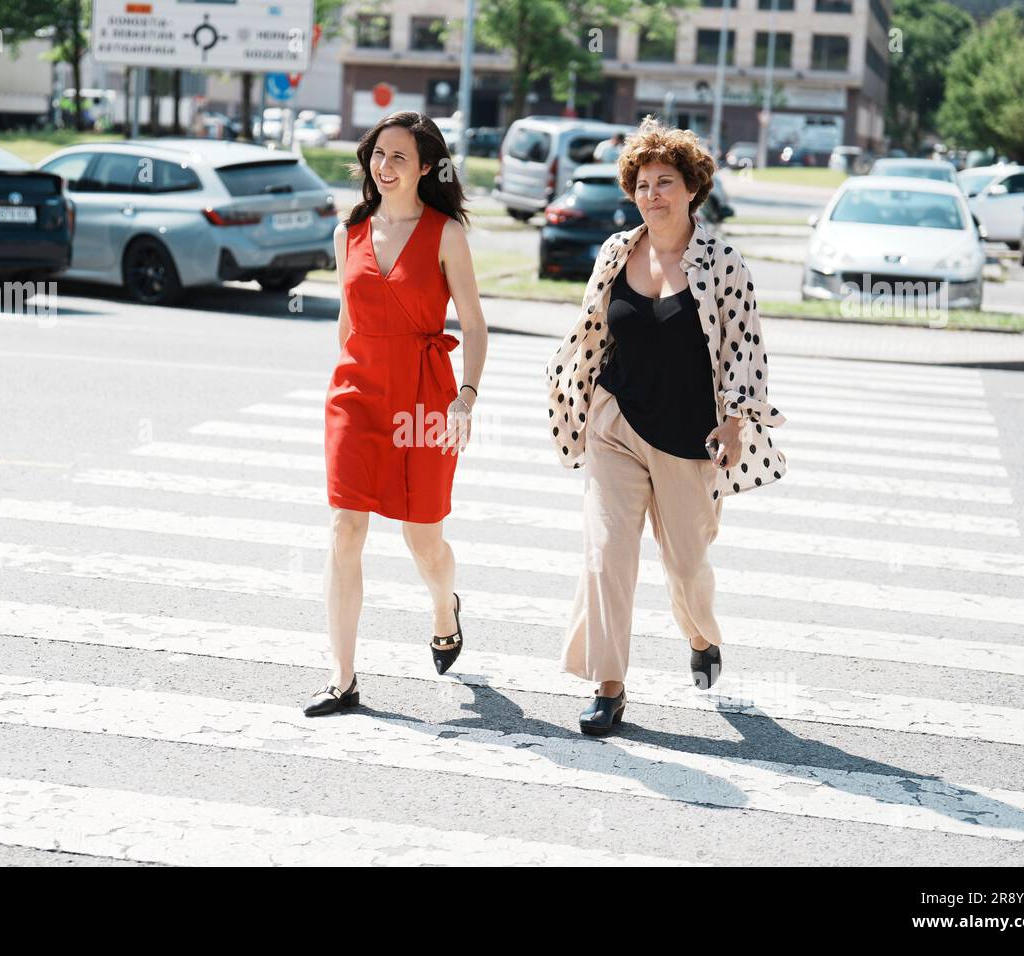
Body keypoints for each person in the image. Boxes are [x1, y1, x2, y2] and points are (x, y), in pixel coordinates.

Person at [546, 116, 788, 736]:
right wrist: (569, 393)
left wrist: (736, 422)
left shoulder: (722, 262)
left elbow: (744, 348)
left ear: (692, 190)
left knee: (685, 566)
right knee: (607, 554)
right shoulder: (616, 252)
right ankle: (609, 687)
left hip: (689, 438)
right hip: (615, 422)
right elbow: (590, 332)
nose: (652, 194)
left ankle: (701, 638)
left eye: (665, 182)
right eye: (643, 183)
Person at [308, 111, 489, 716]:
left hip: (424, 398)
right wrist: (345, 378)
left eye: (399, 158)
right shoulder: (348, 232)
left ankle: (445, 609)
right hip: (356, 396)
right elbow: (347, 320)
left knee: (423, 538)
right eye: (378, 155)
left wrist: (466, 397)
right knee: (345, 529)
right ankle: (342, 678)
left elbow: (473, 322)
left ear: (426, 168)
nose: (384, 168)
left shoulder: (446, 234)